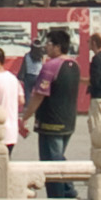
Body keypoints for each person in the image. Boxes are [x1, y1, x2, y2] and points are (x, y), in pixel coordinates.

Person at [29, 31, 81, 179]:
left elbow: (39, 95)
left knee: (51, 165)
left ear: (57, 47)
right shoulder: (74, 64)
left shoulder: (50, 66)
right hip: (68, 122)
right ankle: (68, 191)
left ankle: (62, 194)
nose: (46, 46)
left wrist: (25, 117)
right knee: (58, 158)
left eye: (49, 43)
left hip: (50, 123)